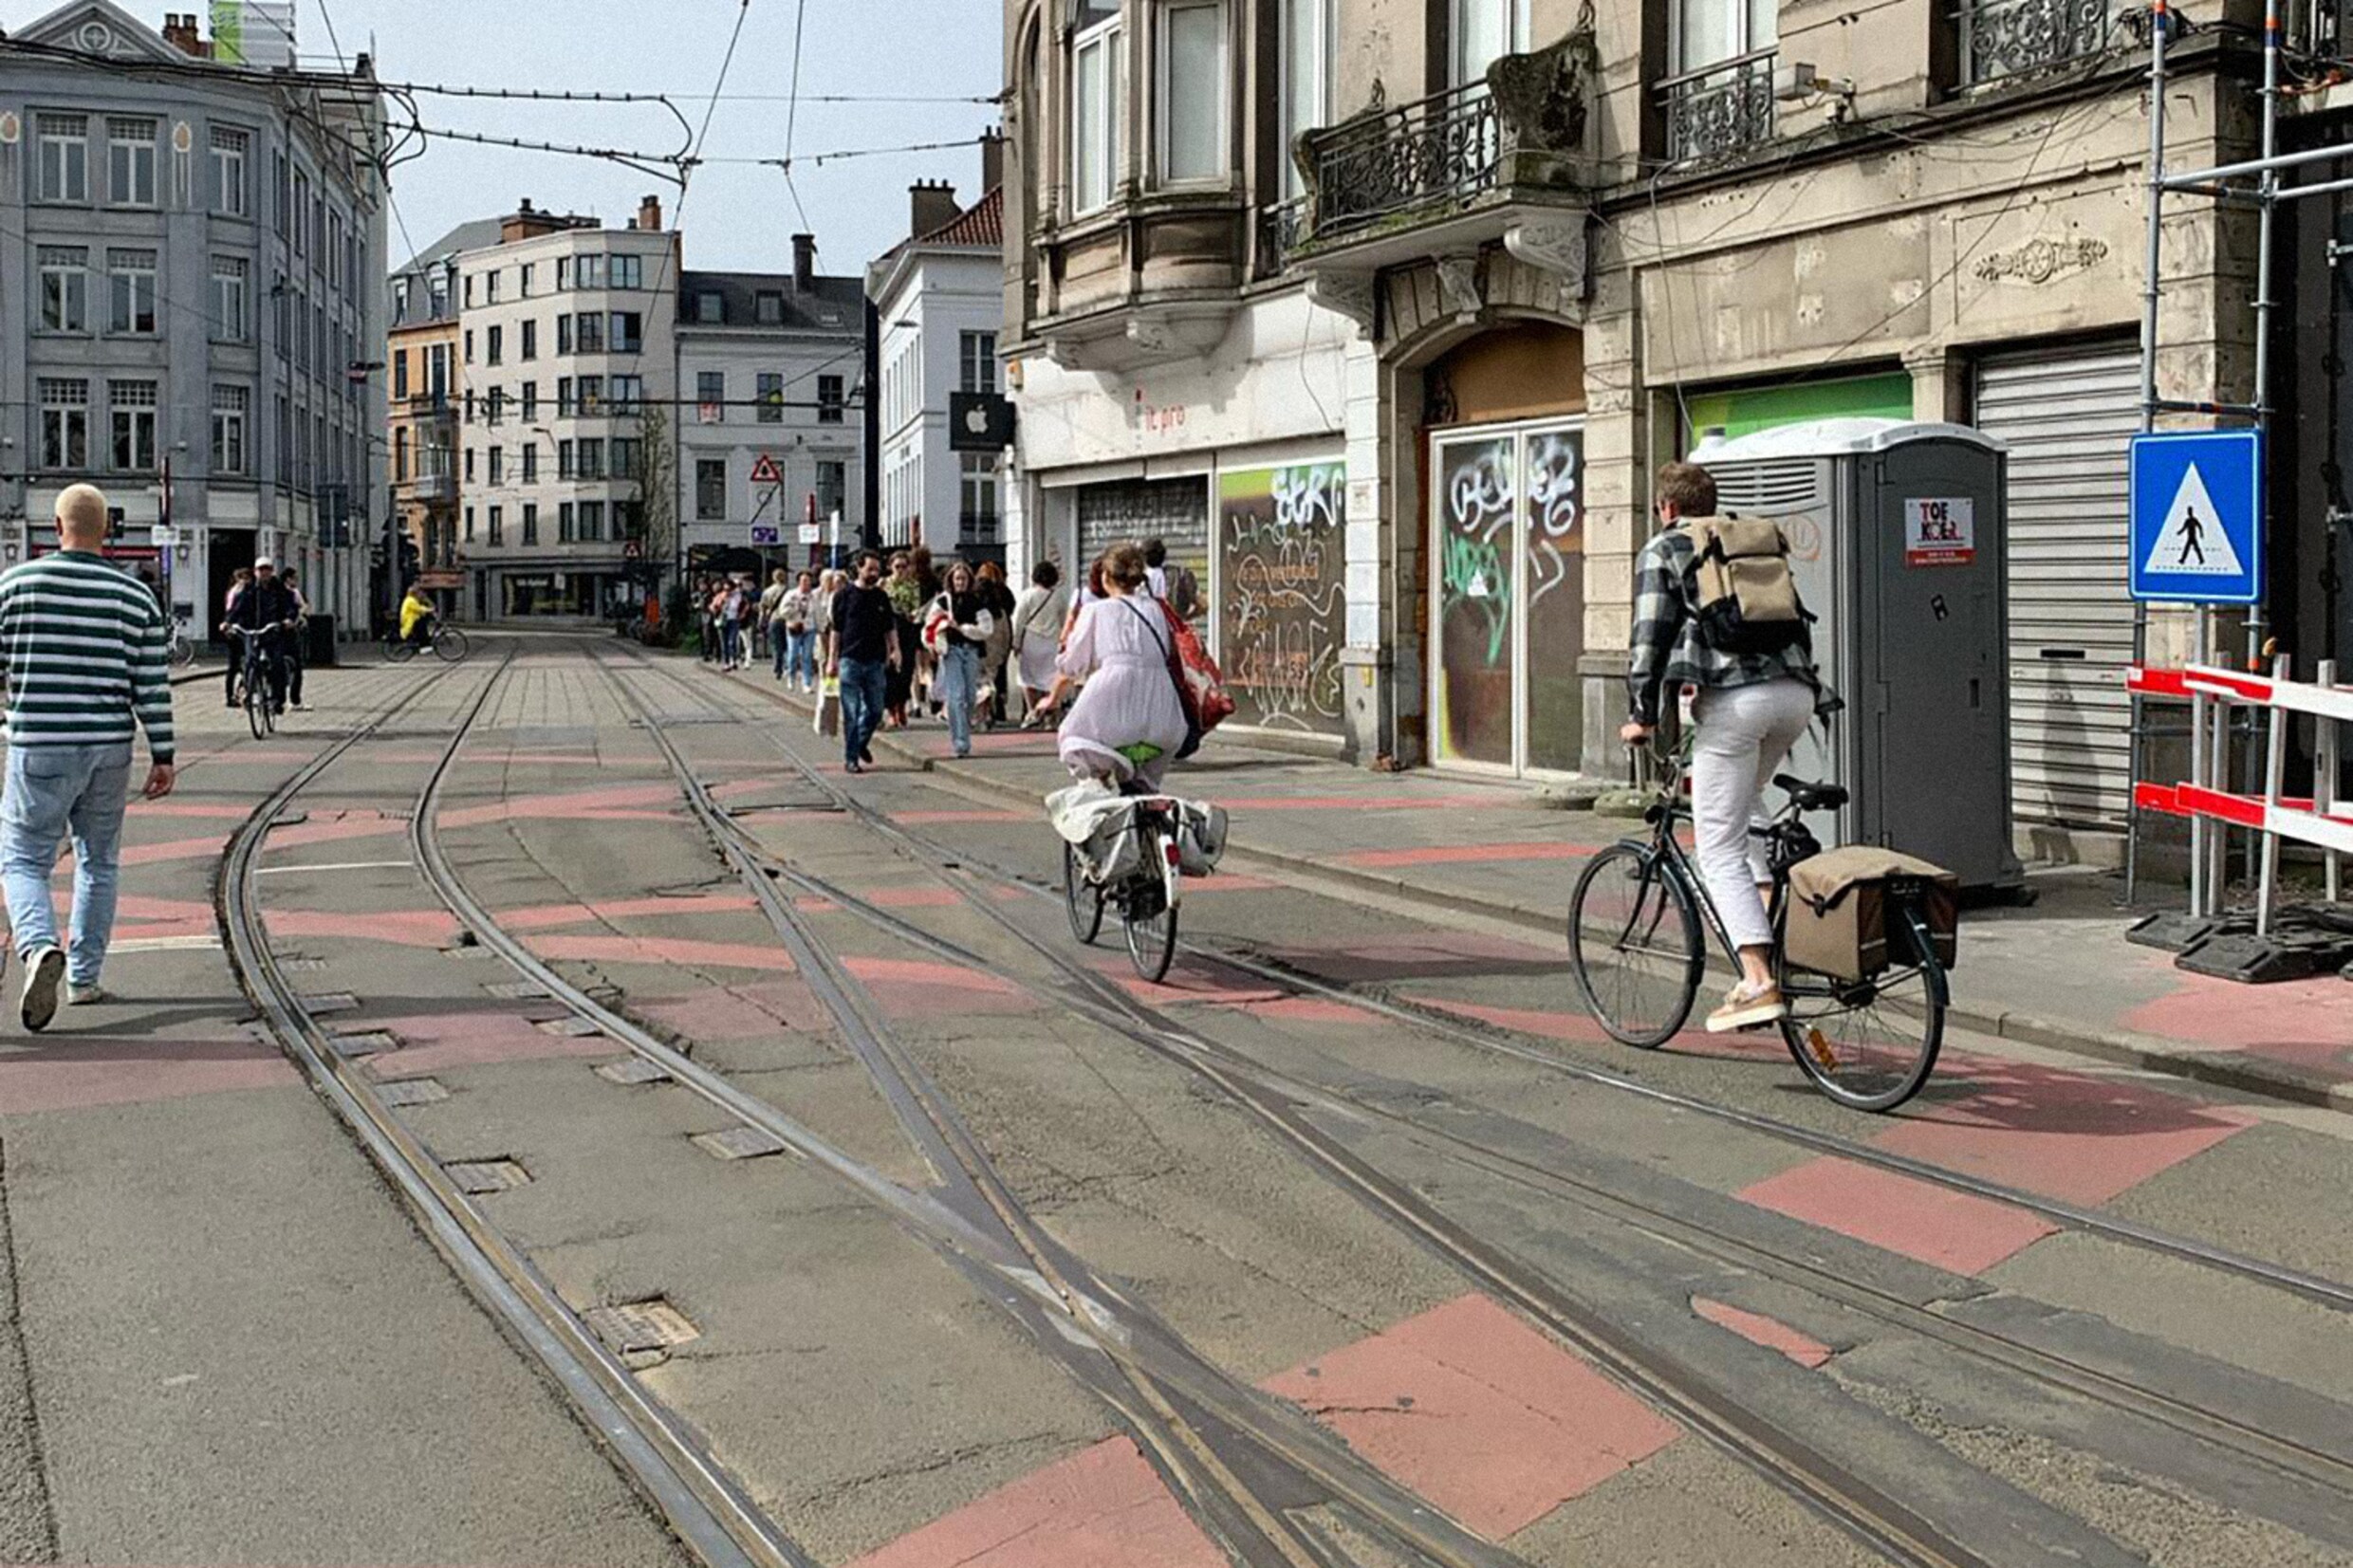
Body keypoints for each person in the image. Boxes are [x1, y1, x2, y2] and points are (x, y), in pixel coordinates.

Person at [1623, 460, 1829, 1035]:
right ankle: (1764, 905)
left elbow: (1649, 638)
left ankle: (1758, 980)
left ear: (1666, 507)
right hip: (1796, 696)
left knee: (1714, 847)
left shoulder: (1665, 548)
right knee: (1747, 803)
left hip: (1735, 704)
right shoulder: (1747, 539)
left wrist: (1641, 716)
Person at [0, 484, 176, 1024]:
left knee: (22, 857)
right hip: (108, 748)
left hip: (39, 746)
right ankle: (83, 977)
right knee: (99, 862)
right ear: (108, 531)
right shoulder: (134, 596)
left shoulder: (15, 586)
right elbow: (151, 683)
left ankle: (37, 945)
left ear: (57, 527)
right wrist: (163, 753)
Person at [1043, 543, 1189, 792]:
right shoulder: (1156, 609)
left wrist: (1052, 699)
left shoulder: (1096, 610)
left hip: (1113, 695)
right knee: (1147, 775)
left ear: (1106, 575)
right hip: (1163, 707)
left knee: (1074, 738)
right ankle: (1147, 804)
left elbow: (1071, 665)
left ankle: (1099, 787)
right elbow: (1168, 651)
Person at [826, 552, 900, 775]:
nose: (875, 574)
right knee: (851, 711)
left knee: (876, 710)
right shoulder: (844, 596)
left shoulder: (881, 597)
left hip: (875, 660)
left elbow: (890, 626)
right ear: (859, 568)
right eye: (870, 569)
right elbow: (836, 630)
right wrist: (832, 658)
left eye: (877, 570)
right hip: (849, 659)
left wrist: (895, 649)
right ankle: (851, 759)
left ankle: (859, 743)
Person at [928, 560, 994, 760]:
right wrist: (937, 637)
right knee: (956, 697)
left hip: (971, 651)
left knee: (970, 697)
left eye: (964, 578)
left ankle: (963, 729)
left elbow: (986, 630)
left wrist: (963, 629)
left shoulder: (977, 602)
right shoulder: (942, 602)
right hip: (952, 651)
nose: (960, 582)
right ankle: (961, 742)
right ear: (951, 580)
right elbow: (930, 626)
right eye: (957, 578)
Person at [224, 556, 300, 716]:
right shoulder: (248, 589)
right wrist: (228, 623)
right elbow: (237, 608)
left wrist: (288, 619)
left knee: (277, 662)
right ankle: (246, 690)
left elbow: (290, 606)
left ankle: (278, 699)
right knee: (248, 661)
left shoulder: (279, 588)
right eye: (260, 570)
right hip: (252, 631)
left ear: (272, 571)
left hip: (273, 631)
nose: (264, 573)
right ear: (255, 572)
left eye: (267, 569)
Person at [1010, 560, 1068, 726]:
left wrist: (1016, 643)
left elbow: (1019, 621)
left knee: (1027, 679)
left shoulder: (1027, 595)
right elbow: (1064, 621)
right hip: (1051, 642)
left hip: (1031, 642)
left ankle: (1032, 711)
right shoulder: (1059, 597)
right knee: (1051, 680)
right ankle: (1051, 717)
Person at [974, 562, 1018, 725]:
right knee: (995, 678)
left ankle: (983, 713)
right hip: (997, 651)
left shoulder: (975, 609)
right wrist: (1006, 649)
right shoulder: (1001, 606)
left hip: (979, 650)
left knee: (980, 680)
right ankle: (995, 705)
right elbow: (1007, 630)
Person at [883, 551, 922, 728]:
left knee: (907, 671)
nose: (900, 570)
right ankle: (891, 710)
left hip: (906, 629)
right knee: (890, 671)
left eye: (904, 566)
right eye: (897, 566)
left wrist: (913, 614)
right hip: (888, 628)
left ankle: (902, 705)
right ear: (891, 567)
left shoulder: (913, 585)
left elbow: (916, 606)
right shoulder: (884, 584)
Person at [1140, 537, 1203, 622]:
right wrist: (1183, 619)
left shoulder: (1135, 578)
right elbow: (1203, 605)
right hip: (1172, 631)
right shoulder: (1181, 575)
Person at [221, 565, 253, 708]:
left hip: (242, 629)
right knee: (235, 666)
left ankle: (242, 691)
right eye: (243, 578)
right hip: (235, 631)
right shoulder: (235, 593)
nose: (246, 581)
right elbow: (232, 611)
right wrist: (228, 624)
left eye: (248, 578)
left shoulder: (245, 592)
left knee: (243, 664)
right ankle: (232, 696)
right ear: (237, 579)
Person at [279, 568, 311, 710]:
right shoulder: (292, 593)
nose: (296, 581)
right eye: (294, 578)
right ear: (288, 579)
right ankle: (294, 700)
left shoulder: (288, 592)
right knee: (296, 666)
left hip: (281, 631)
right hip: (289, 632)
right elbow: (301, 609)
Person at [399, 582, 437, 648]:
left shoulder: (411, 599)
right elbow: (419, 608)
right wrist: (430, 610)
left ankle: (424, 642)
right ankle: (423, 644)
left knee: (423, 622)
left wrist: (428, 610)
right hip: (410, 620)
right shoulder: (411, 601)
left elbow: (419, 608)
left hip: (413, 618)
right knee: (421, 627)